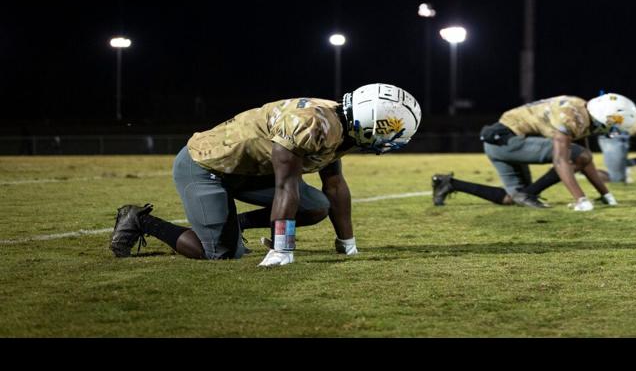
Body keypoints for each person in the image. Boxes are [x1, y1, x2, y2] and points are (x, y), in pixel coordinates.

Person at [108, 83, 420, 267]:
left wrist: (347, 242)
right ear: (371, 124)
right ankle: (140, 220)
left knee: (316, 206)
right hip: (207, 167)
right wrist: (282, 249)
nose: (391, 142)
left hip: (251, 170)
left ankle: (234, 223)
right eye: (391, 133)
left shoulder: (343, 124)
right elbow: (286, 187)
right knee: (218, 253)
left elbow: (334, 184)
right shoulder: (310, 123)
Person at [432, 93, 633, 211]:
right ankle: (529, 195)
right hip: (508, 141)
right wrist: (581, 200)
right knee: (574, 156)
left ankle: (448, 183)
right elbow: (561, 161)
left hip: (500, 143)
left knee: (514, 198)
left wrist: (606, 195)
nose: (611, 131)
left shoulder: (582, 110)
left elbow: (585, 160)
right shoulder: (571, 116)